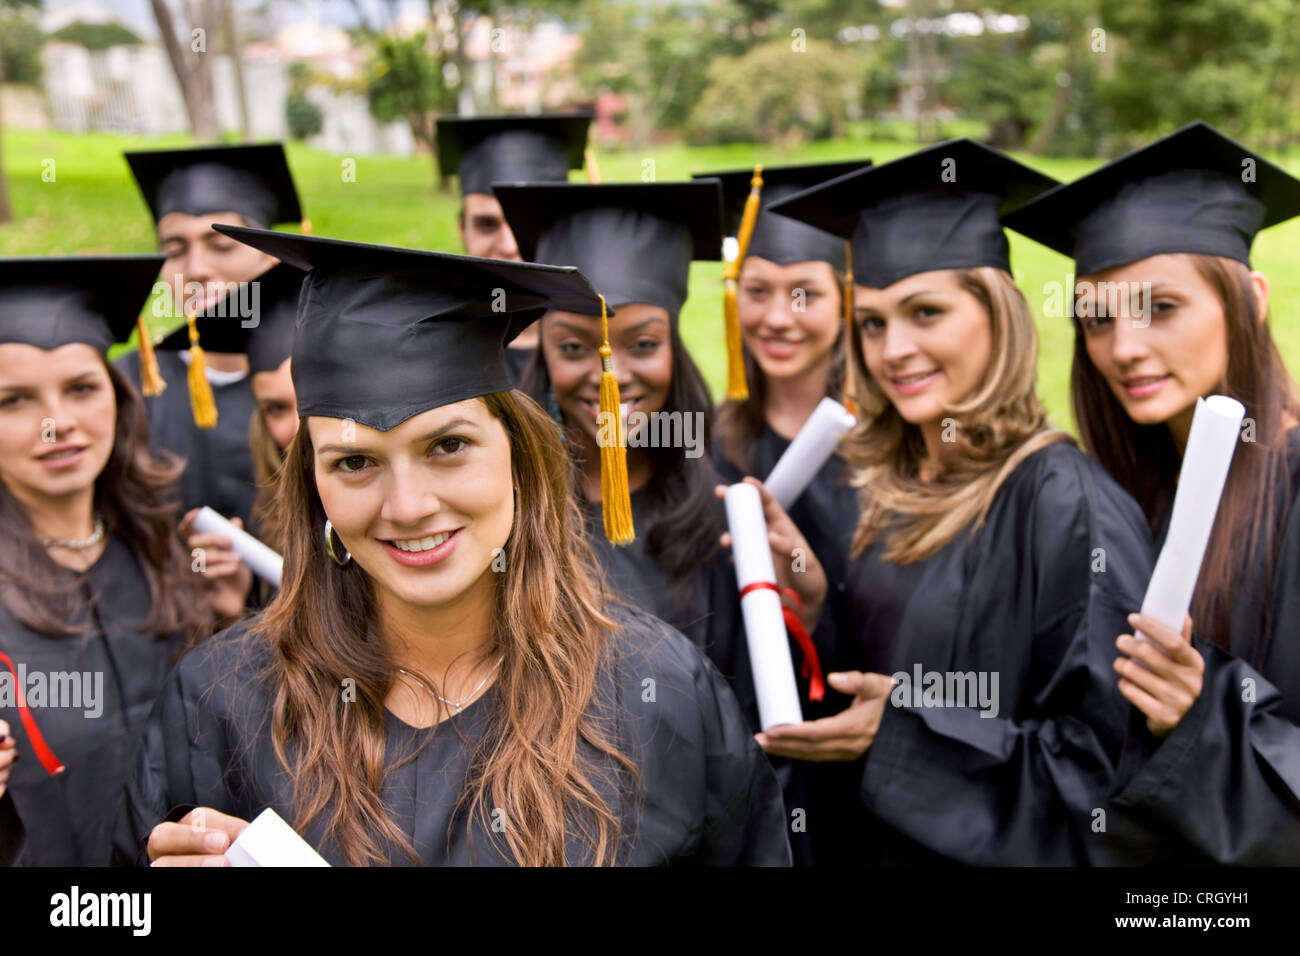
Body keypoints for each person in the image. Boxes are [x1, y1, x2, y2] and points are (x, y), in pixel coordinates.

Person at [113, 227, 790, 867]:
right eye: (355, 462)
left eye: (448, 446)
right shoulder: (219, 707)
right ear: (313, 483)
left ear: (520, 458)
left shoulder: (658, 695)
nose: (408, 506)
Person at [752, 139, 1156, 865]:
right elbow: (894, 667)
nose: (892, 349)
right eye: (872, 322)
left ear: (997, 314)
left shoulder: (1064, 502)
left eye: (925, 312)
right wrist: (818, 606)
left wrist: (902, 738)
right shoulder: (894, 484)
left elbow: (1106, 774)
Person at [1005, 120, 1300, 863]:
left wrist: (1205, 718)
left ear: (1251, 299)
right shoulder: (1118, 493)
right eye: (1097, 318)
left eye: (1160, 308)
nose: (1124, 347)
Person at [497, 180, 824, 724]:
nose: (613, 376)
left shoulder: (724, 513)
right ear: (543, 353)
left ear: (674, 347)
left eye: (644, 344)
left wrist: (804, 612)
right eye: (575, 347)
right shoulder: (504, 505)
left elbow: (755, 708)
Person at [0, 256, 211, 866]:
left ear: (116, 397)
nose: (57, 423)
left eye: (81, 388)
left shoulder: (158, 545)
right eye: (15, 400)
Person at [117, 142, 304, 526]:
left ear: (270, 259)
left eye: (222, 244)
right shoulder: (123, 389)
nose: (197, 268)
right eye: (174, 249)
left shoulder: (322, 379)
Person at [702, 161, 868, 593]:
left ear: (844, 302)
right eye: (757, 291)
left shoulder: (890, 444)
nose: (777, 318)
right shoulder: (710, 442)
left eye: (804, 294)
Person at [180, 262, 305, 621]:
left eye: (311, 397)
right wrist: (232, 611)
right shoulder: (261, 530)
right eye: (276, 408)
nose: (298, 426)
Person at [436, 113, 593, 384]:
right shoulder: (435, 350)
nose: (509, 246)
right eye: (487, 224)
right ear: (463, 231)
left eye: (526, 223)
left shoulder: (605, 345)